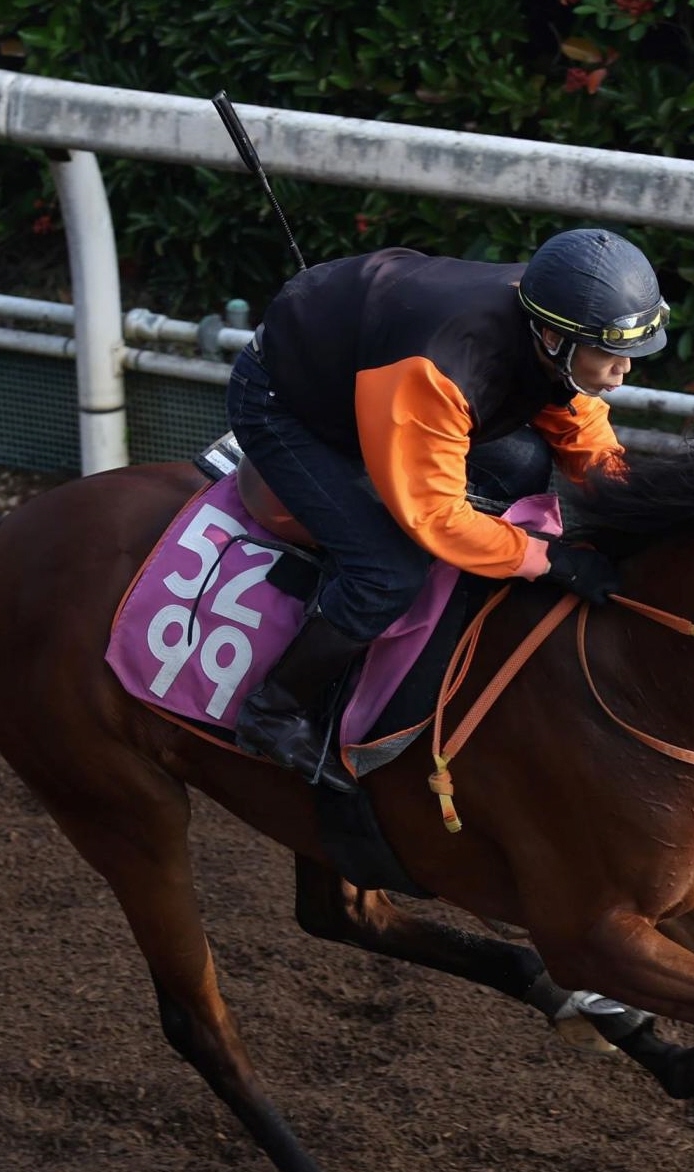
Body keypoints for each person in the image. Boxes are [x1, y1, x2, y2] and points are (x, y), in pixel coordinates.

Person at [223, 227, 669, 790]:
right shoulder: (442, 367)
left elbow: (583, 434)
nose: (625, 371)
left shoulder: (554, 312)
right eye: (612, 354)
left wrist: (639, 507)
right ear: (554, 338)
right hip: (285, 403)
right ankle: (274, 710)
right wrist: (551, 561)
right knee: (387, 572)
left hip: (380, 368)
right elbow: (434, 517)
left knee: (524, 465)